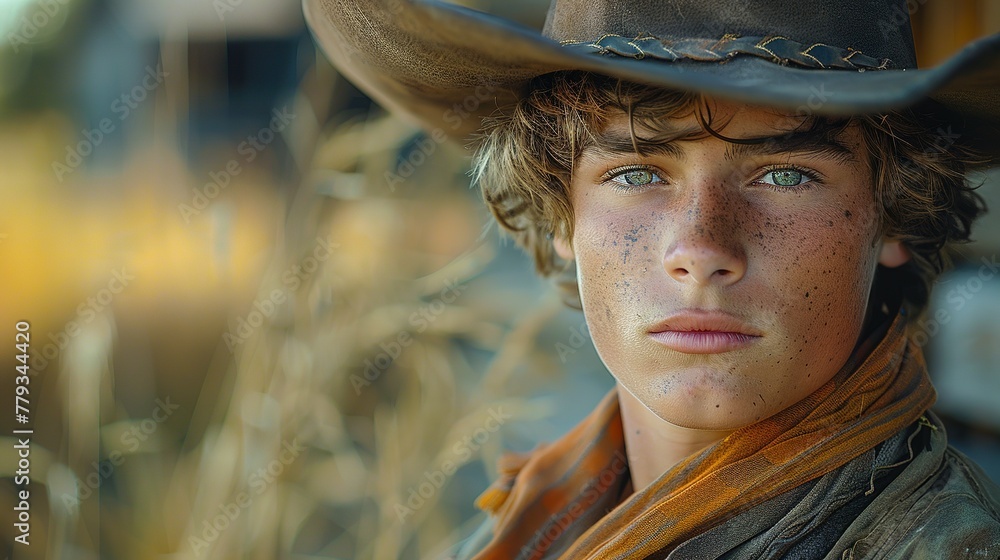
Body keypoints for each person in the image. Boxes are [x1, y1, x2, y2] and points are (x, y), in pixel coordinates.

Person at [304, 0, 1000, 557]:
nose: (700, 247)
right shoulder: (515, 533)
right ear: (560, 216)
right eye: (637, 173)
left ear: (896, 215)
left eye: (785, 175)